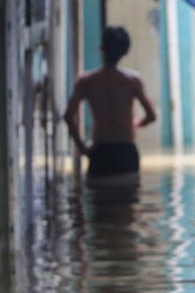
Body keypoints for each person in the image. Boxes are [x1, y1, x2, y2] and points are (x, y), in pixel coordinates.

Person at [64, 26, 157, 182]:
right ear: (126, 53)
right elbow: (151, 116)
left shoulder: (86, 82)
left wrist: (83, 149)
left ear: (101, 49)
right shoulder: (133, 81)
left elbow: (68, 117)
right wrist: (134, 124)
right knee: (127, 202)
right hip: (126, 149)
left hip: (100, 149)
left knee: (100, 203)